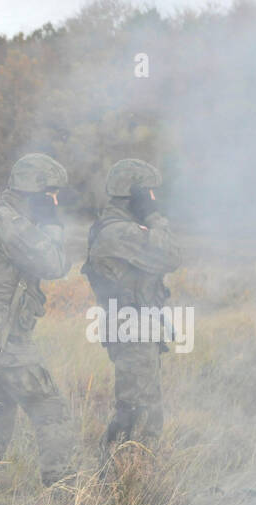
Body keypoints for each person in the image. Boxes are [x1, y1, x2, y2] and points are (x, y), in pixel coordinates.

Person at [0, 153, 75, 491]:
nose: (55, 200)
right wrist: (52, 223)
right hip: (6, 340)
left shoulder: (5, 219)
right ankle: (63, 489)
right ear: (33, 191)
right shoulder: (8, 223)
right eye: (50, 194)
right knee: (51, 410)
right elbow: (54, 264)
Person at [83, 158, 183, 453]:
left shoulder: (122, 227)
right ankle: (120, 477)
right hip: (131, 327)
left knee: (144, 407)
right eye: (149, 193)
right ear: (137, 195)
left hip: (137, 325)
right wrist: (154, 218)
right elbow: (172, 256)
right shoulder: (120, 232)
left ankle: (132, 474)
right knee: (138, 410)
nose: (154, 199)